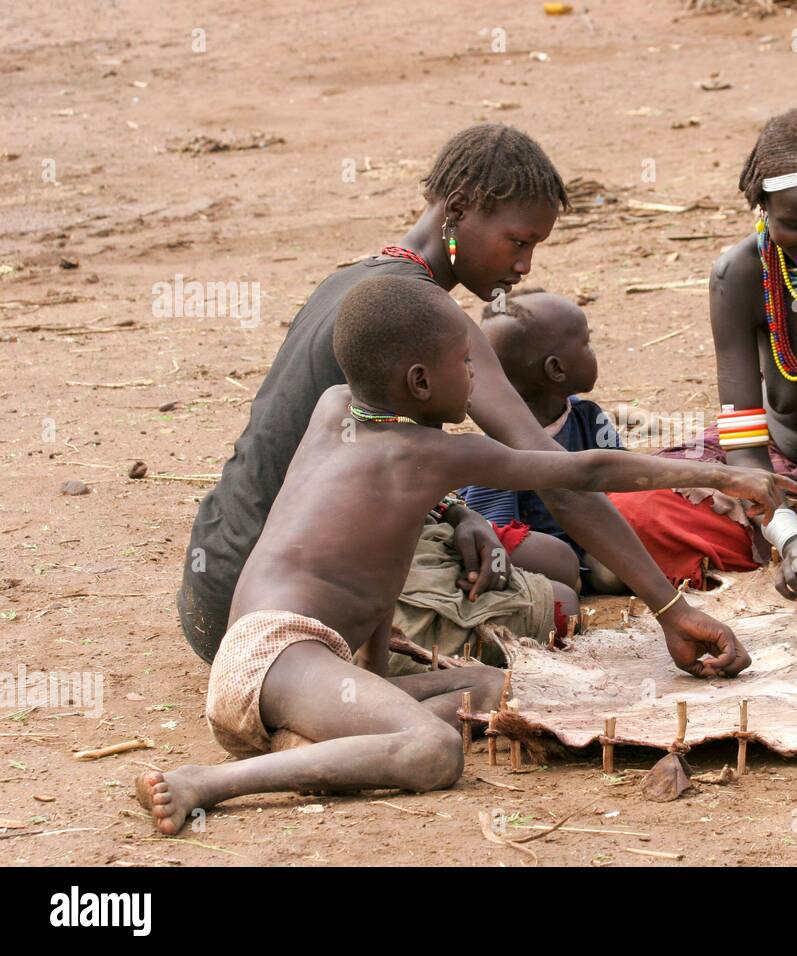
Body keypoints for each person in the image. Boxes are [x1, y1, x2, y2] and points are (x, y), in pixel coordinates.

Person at [137, 276, 797, 835]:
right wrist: (725, 477)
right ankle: (209, 783)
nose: (477, 376)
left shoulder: (335, 405)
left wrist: (451, 520)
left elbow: (368, 562)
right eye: (467, 363)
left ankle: (319, 745)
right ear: (421, 381)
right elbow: (582, 469)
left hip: (290, 662)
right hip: (278, 658)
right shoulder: (429, 454)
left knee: (495, 690)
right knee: (435, 751)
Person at [178, 123, 755, 678]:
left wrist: (450, 510)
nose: (524, 265)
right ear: (457, 210)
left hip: (221, 575)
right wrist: (669, 609)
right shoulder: (432, 321)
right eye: (518, 241)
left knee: (540, 561)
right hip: (272, 622)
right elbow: (559, 476)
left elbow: (335, 453)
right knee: (554, 603)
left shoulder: (351, 286)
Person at [609, 107, 797, 602]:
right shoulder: (737, 277)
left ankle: (581, 565)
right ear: (762, 208)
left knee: (636, 533)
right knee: (613, 502)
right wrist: (791, 537)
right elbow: (743, 437)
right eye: (794, 225)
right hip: (757, 464)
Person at [460, 288, 626, 592]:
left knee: (611, 574)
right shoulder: (500, 447)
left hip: (590, 538)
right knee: (567, 579)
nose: (593, 351)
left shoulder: (587, 415)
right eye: (586, 344)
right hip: (541, 550)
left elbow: (621, 474)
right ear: (556, 369)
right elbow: (495, 529)